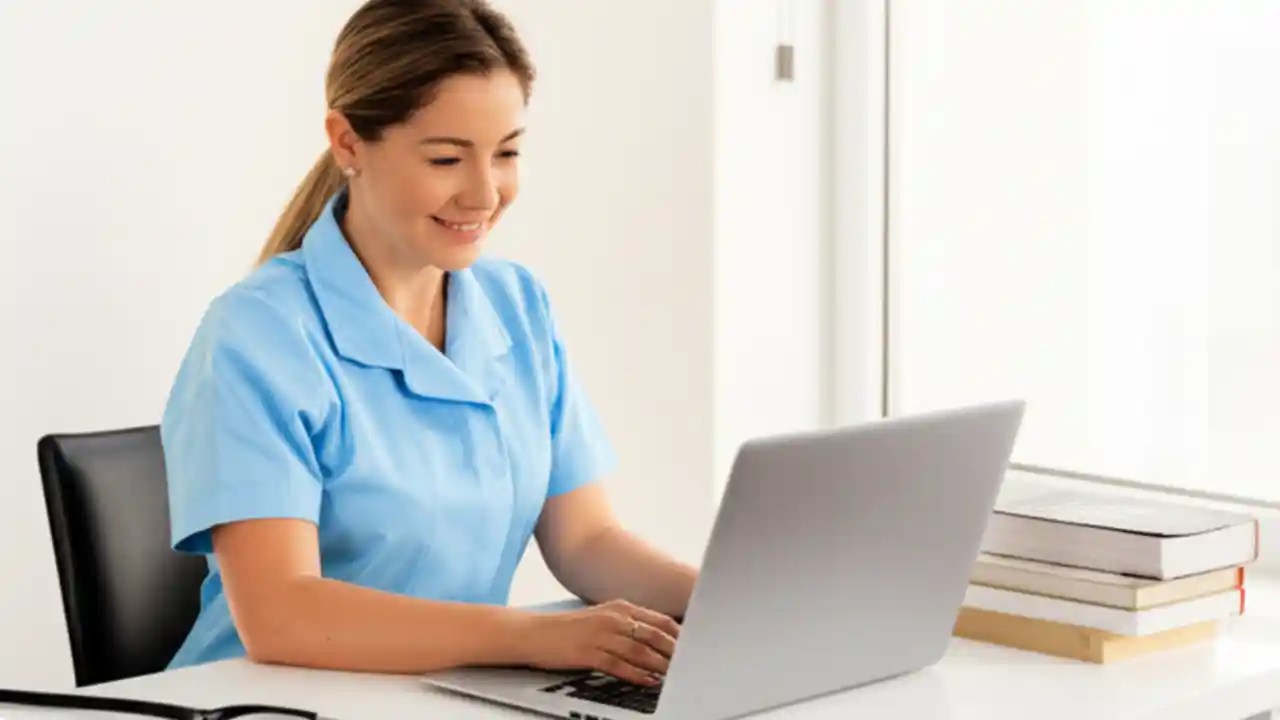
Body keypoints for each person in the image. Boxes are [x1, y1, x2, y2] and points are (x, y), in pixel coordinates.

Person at [161, 0, 697, 688]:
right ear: (348, 142)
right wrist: (541, 637)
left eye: (507, 152)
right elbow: (281, 613)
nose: (484, 192)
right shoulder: (257, 334)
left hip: (443, 693)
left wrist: (724, 602)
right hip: (266, 697)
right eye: (447, 157)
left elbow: (584, 539)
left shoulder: (518, 304)